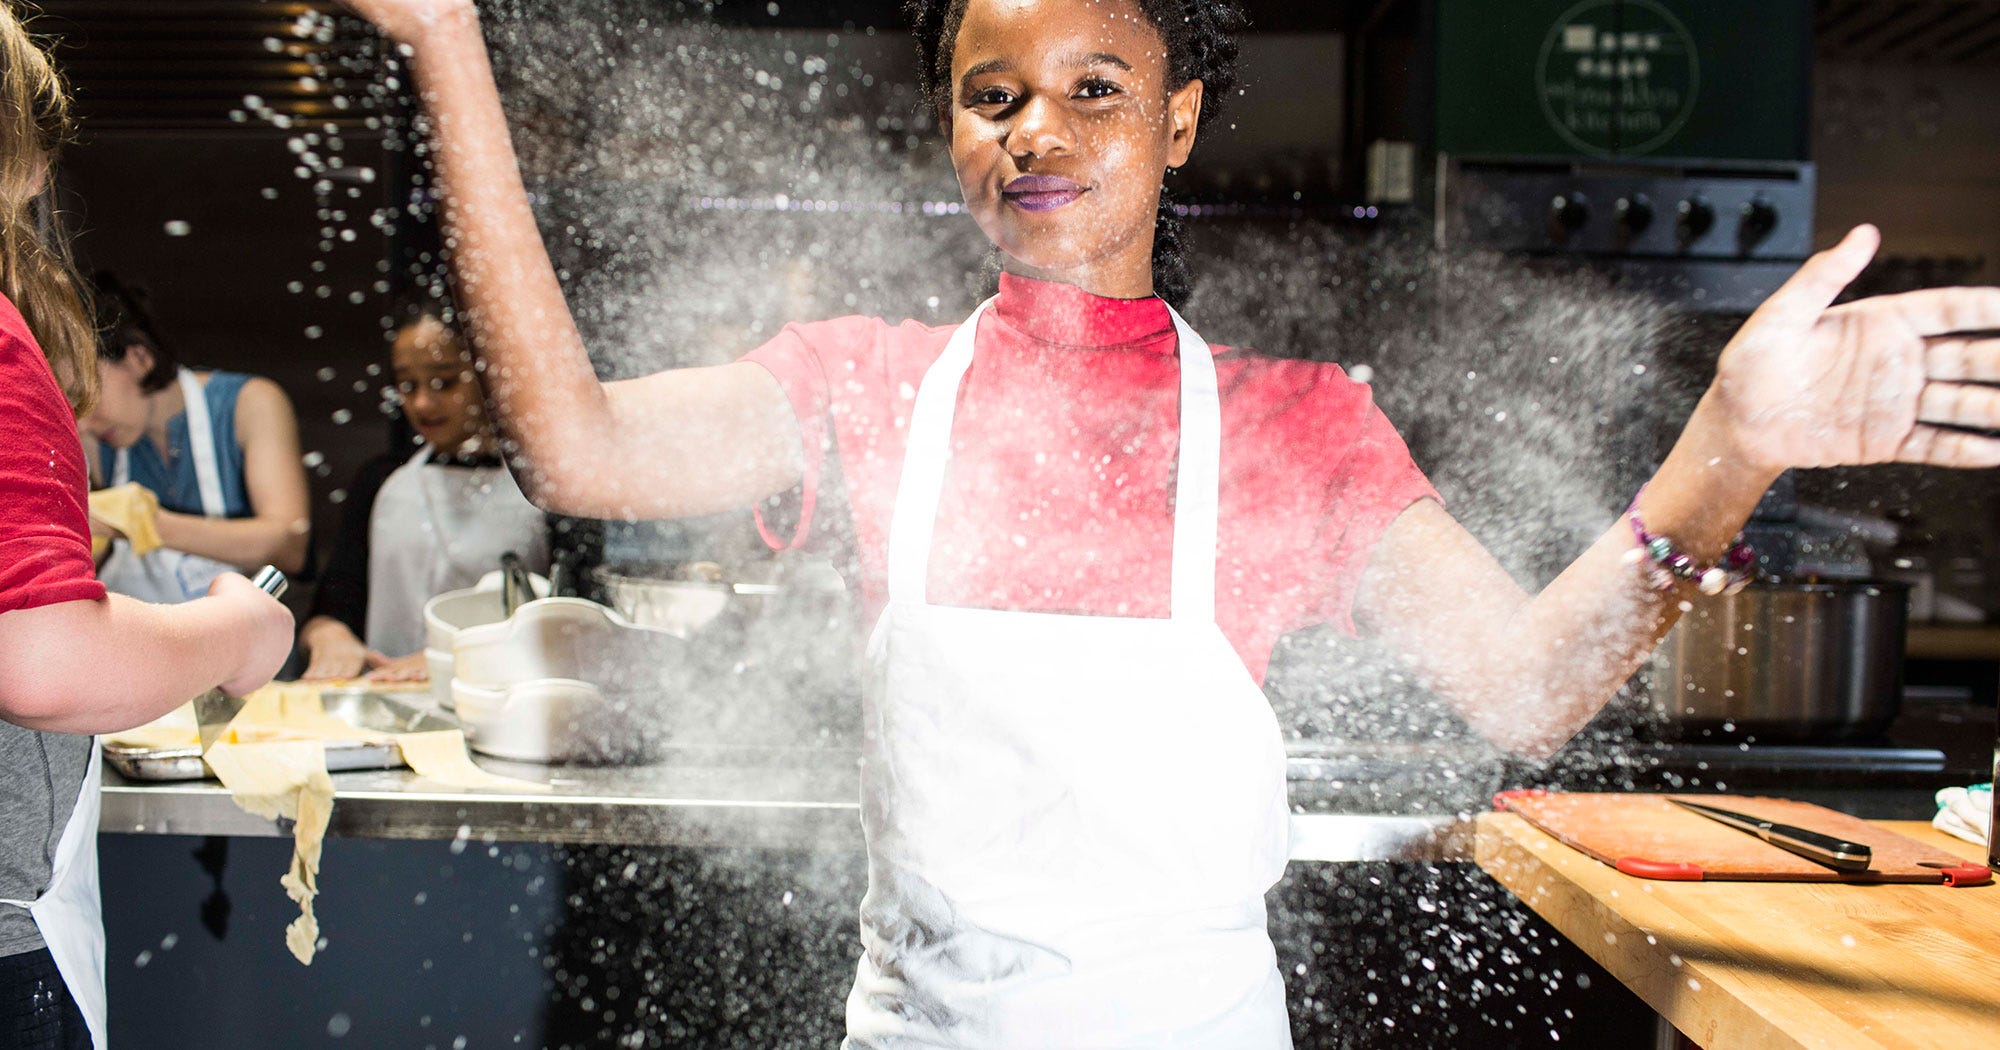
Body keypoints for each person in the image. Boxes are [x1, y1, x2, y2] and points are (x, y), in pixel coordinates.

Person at [347, 0, 2000, 1044]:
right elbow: (573, 446)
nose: (1037, 131)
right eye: (992, 91)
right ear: (951, 128)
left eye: (1092, 87)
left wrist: (1731, 443)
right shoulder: (860, 383)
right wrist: (452, 48)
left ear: (1179, 121)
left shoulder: (1297, 426)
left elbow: (1522, 687)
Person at [0, 8, 293, 1048]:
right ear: (24, 163)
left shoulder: (245, 402)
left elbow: (288, 536)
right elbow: (47, 664)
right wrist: (239, 632)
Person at [298, 306, 549, 681]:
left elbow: (571, 617)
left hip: (502, 702)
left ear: (492, 372)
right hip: (387, 694)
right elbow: (338, 599)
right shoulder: (380, 478)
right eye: (407, 385)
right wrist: (329, 634)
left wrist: (450, 658)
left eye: (445, 383)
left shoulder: (546, 484)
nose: (422, 404)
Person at [81, 273, 310, 602]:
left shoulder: (250, 404)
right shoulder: (97, 442)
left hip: (248, 642)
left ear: (140, 358)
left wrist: (148, 523)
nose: (83, 423)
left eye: (87, 395)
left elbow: (289, 544)